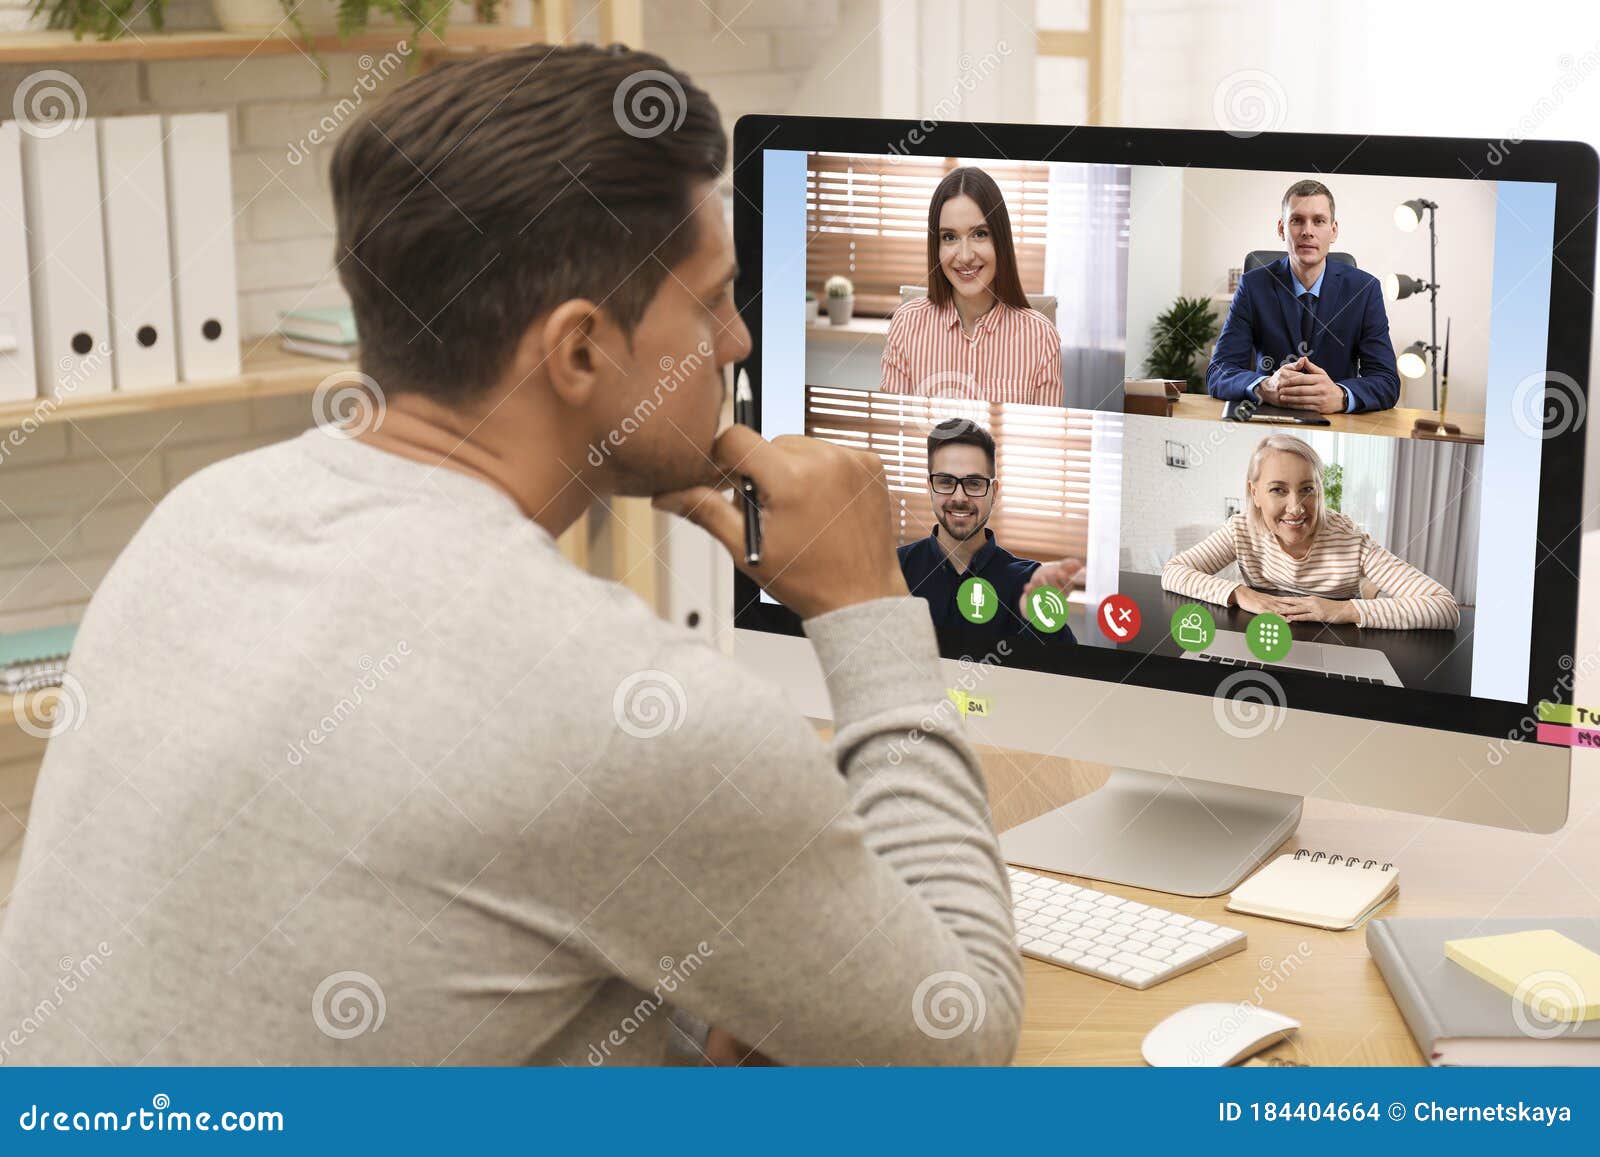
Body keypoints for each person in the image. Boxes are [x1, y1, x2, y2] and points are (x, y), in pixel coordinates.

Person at [0, 46, 1022, 1068]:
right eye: (712, 301)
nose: (737, 342)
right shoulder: (623, 713)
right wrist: (865, 604)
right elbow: (960, 1039)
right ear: (579, 351)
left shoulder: (197, 520)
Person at [1161, 433, 1459, 629]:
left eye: (1307, 490)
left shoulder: (1351, 540)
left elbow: (1444, 606)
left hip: (1336, 644)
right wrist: (1239, 593)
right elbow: (1173, 572)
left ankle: (1368, 589)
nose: (1296, 508)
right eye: (1278, 490)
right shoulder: (1240, 529)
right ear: (1255, 493)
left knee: (1371, 590)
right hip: (1269, 640)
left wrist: (1344, 610)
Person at [1206, 179, 1400, 414]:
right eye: (1297, 220)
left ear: (1333, 230)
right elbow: (1218, 371)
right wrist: (1264, 386)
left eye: (1318, 221)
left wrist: (1341, 396)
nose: (1307, 231)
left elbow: (1386, 380)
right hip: (1269, 417)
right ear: (1281, 229)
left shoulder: (1365, 290)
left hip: (1336, 421)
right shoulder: (1253, 286)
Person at [879, 166, 1063, 406]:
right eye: (949, 237)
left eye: (979, 234)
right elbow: (895, 424)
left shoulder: (1041, 337)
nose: (964, 256)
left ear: (1000, 240)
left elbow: (1043, 430)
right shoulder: (906, 325)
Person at [897, 418, 1082, 656]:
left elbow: (1066, 667)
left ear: (993, 492)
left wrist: (1039, 618)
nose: (959, 497)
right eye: (946, 482)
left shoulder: (1029, 582)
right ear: (929, 487)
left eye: (974, 483)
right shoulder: (894, 569)